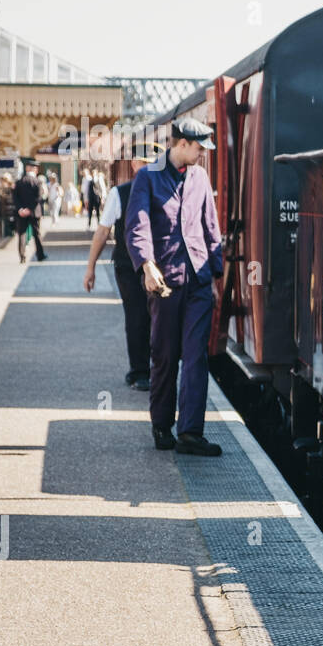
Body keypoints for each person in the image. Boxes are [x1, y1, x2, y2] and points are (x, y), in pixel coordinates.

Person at [125, 118, 224, 457]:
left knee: (196, 357)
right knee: (165, 356)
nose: (203, 154)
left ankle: (191, 434)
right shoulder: (147, 177)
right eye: (199, 148)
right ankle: (161, 423)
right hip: (164, 280)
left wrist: (216, 275)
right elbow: (136, 225)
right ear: (181, 144)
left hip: (197, 280)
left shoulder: (200, 177)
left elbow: (210, 226)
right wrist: (147, 265)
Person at [85, 158, 151, 391]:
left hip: (158, 266)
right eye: (145, 163)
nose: (149, 168)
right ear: (134, 165)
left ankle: (150, 370)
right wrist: (91, 267)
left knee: (154, 318)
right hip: (128, 266)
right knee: (137, 317)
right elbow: (103, 231)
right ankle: (140, 371)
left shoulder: (165, 188)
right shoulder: (119, 193)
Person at [14, 162, 48, 264]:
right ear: (35, 170)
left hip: (22, 213)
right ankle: (40, 255)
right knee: (36, 234)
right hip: (34, 212)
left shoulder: (19, 182)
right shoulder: (37, 182)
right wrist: (30, 209)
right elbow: (38, 197)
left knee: (22, 234)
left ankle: (22, 256)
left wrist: (21, 209)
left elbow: (15, 198)